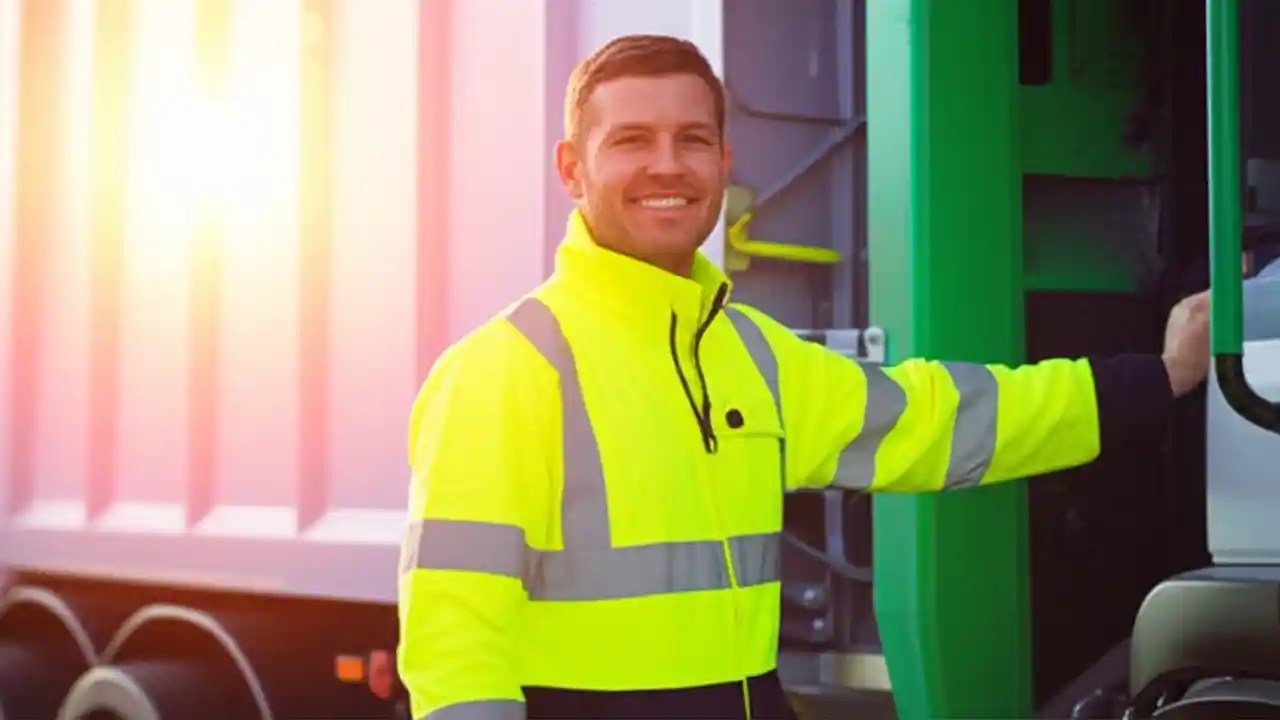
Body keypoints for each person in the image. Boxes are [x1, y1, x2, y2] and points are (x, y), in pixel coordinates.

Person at [396, 34, 1210, 720]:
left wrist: (1160, 377)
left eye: (691, 140)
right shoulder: (505, 369)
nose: (667, 166)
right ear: (572, 169)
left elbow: (937, 422)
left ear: (724, 159)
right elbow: (455, 645)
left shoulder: (751, 354)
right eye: (632, 141)